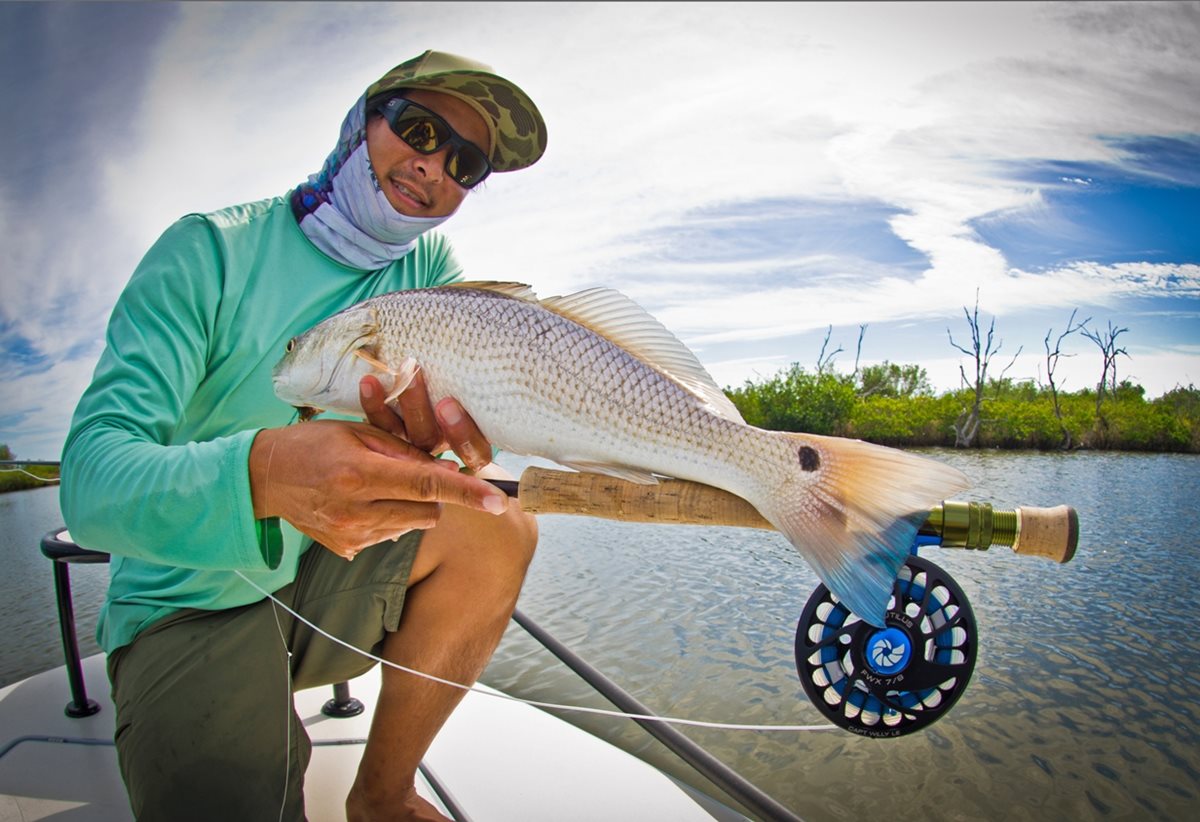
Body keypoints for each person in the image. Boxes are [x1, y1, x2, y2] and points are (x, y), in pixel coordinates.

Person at [60, 50, 546, 821]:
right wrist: (263, 474)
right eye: (418, 130)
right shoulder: (207, 251)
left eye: (465, 163)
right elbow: (89, 478)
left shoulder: (428, 266)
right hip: (186, 599)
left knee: (498, 526)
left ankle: (383, 795)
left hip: (324, 573)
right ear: (361, 121)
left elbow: (463, 410)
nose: (433, 169)